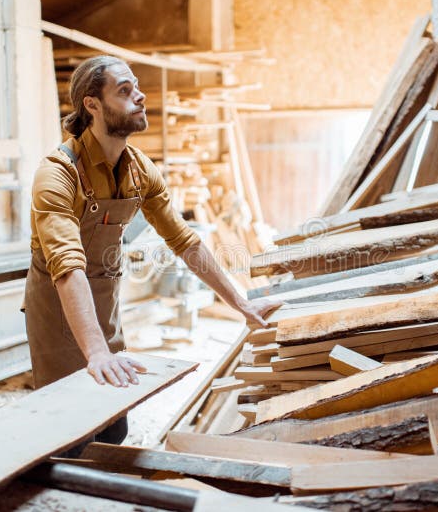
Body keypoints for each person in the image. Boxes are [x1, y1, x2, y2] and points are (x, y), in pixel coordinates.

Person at [23, 55, 279, 445]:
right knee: (67, 429)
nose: (140, 98)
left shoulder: (140, 169)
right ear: (92, 105)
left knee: (114, 426)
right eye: (124, 92)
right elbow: (68, 267)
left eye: (136, 87)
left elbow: (184, 240)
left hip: (103, 304)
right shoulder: (57, 174)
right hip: (59, 308)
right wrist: (96, 353)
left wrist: (240, 305)